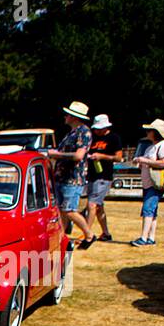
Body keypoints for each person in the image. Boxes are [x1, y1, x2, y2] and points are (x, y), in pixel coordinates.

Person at [47, 101, 96, 249]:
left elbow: (78, 156)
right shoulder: (73, 133)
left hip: (72, 179)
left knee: (69, 210)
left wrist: (57, 154)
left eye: (68, 114)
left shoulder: (83, 132)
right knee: (62, 210)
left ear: (74, 117)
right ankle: (61, 238)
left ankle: (89, 235)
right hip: (62, 177)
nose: (65, 116)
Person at [131, 118, 164, 246]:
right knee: (152, 210)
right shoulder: (151, 147)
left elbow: (163, 163)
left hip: (155, 183)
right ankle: (151, 238)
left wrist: (143, 161)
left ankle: (143, 238)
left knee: (148, 209)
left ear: (156, 132)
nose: (147, 132)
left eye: (150, 130)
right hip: (149, 183)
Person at [84, 114, 122, 241]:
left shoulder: (114, 138)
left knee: (92, 204)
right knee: (99, 207)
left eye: (99, 128)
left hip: (104, 176)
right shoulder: (92, 138)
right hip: (92, 175)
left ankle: (87, 233)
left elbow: (118, 157)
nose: (96, 131)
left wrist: (102, 157)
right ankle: (106, 233)